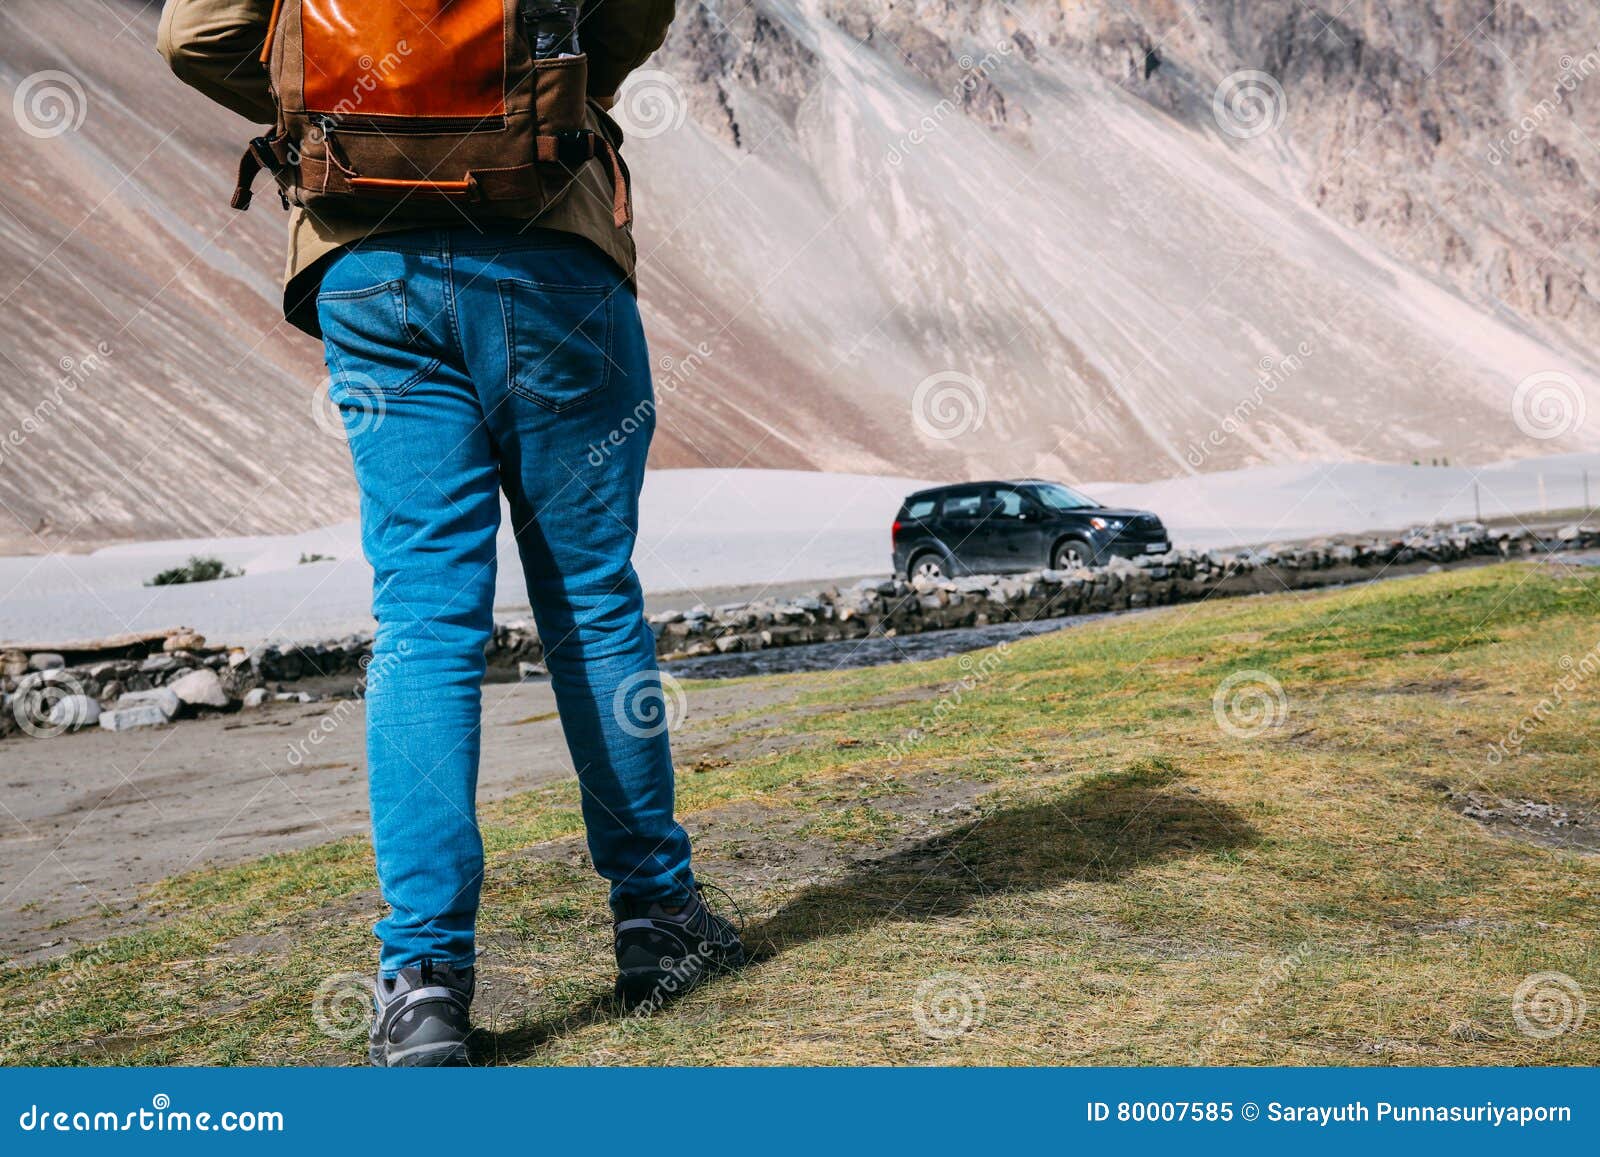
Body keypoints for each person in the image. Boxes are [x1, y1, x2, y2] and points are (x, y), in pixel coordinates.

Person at [157, 0, 742, 1066]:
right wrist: (534, 109)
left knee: (423, 618)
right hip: (548, 244)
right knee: (589, 602)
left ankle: (422, 982)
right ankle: (659, 924)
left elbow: (194, 35)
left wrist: (338, 113)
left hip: (369, 261)